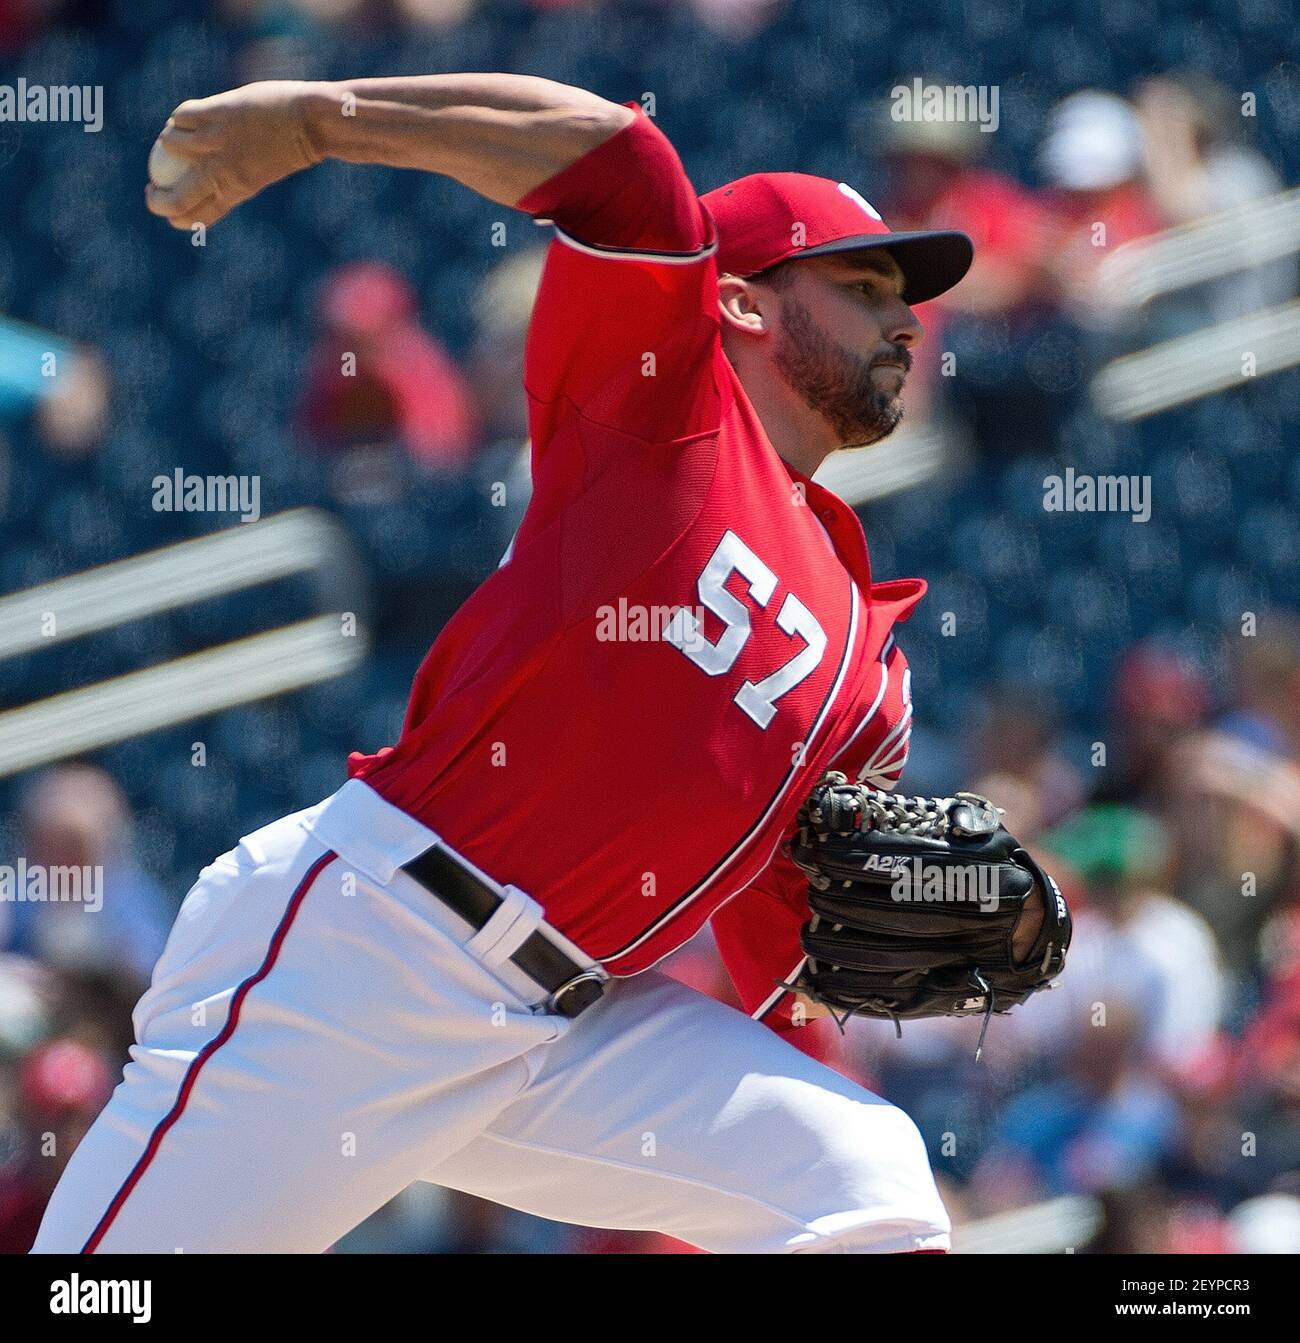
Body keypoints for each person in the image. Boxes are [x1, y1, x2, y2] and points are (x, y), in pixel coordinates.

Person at [34, 73, 1045, 1254]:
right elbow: (625, 166)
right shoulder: (659, 415)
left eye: (905, 298)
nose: (906, 319)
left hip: (567, 1028)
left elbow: (788, 943)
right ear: (740, 303)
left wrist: (951, 929)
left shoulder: (870, 668)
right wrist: (318, 121)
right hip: (375, 951)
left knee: (867, 1177)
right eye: (864, 285)